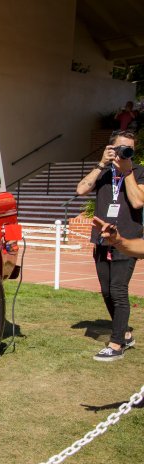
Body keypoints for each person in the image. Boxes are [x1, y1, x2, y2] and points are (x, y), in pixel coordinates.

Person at [76, 129, 144, 361]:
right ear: (110, 149)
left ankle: (116, 345)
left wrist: (127, 173)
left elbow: (137, 202)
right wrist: (100, 164)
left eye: (130, 150)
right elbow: (81, 189)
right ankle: (124, 333)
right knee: (106, 290)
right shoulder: (103, 173)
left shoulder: (139, 172)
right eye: (120, 149)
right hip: (102, 239)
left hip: (127, 241)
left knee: (118, 290)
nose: (125, 153)